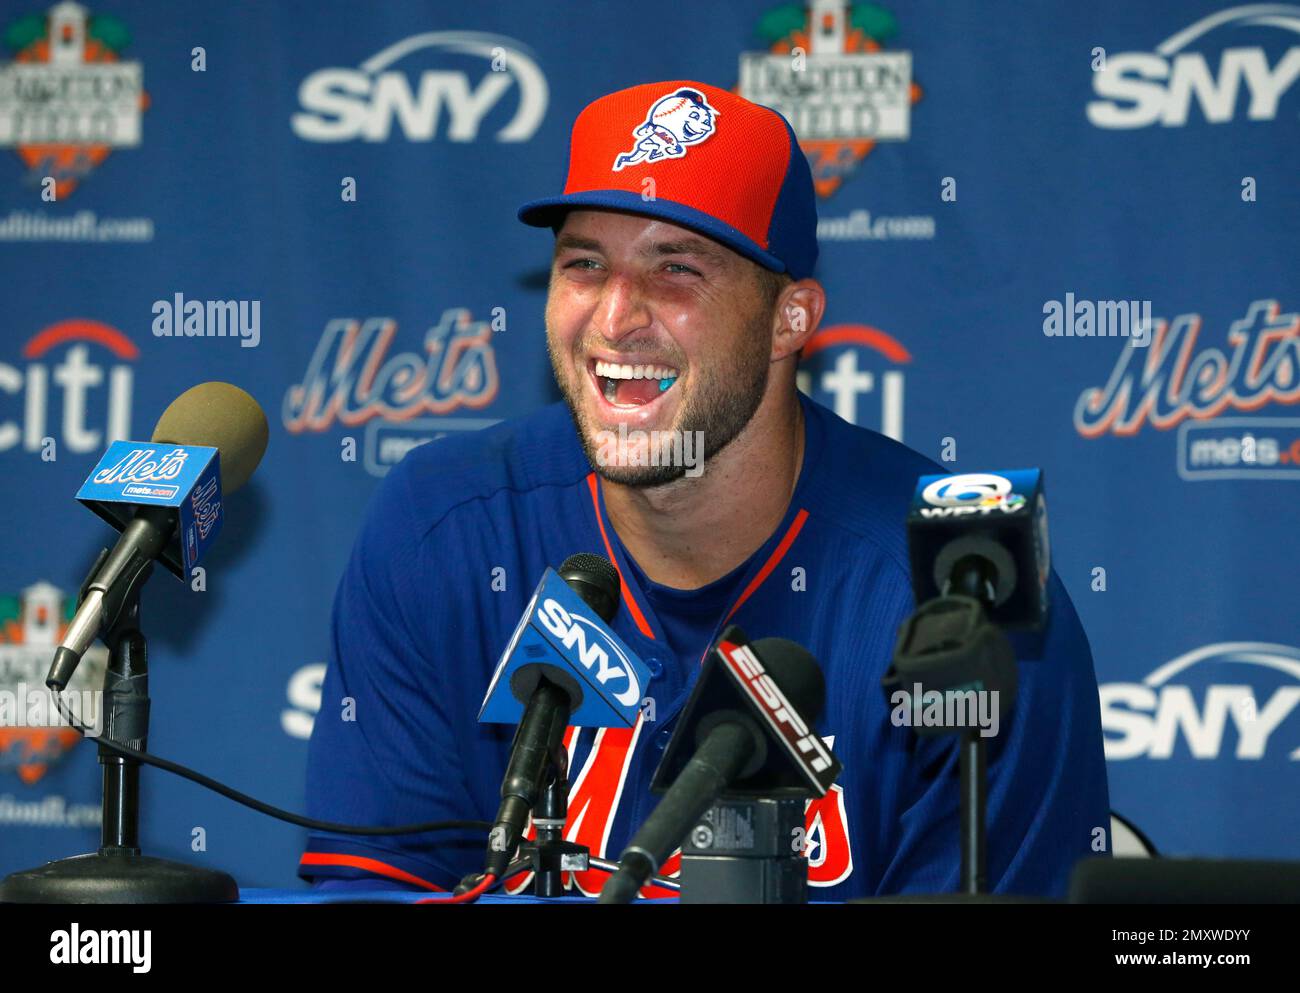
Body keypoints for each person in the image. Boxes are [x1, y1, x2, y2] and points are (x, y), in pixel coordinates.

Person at [299, 80, 1110, 900]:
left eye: (676, 268)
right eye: (584, 263)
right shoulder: (445, 526)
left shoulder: (960, 598)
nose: (615, 318)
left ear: (790, 319)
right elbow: (374, 888)